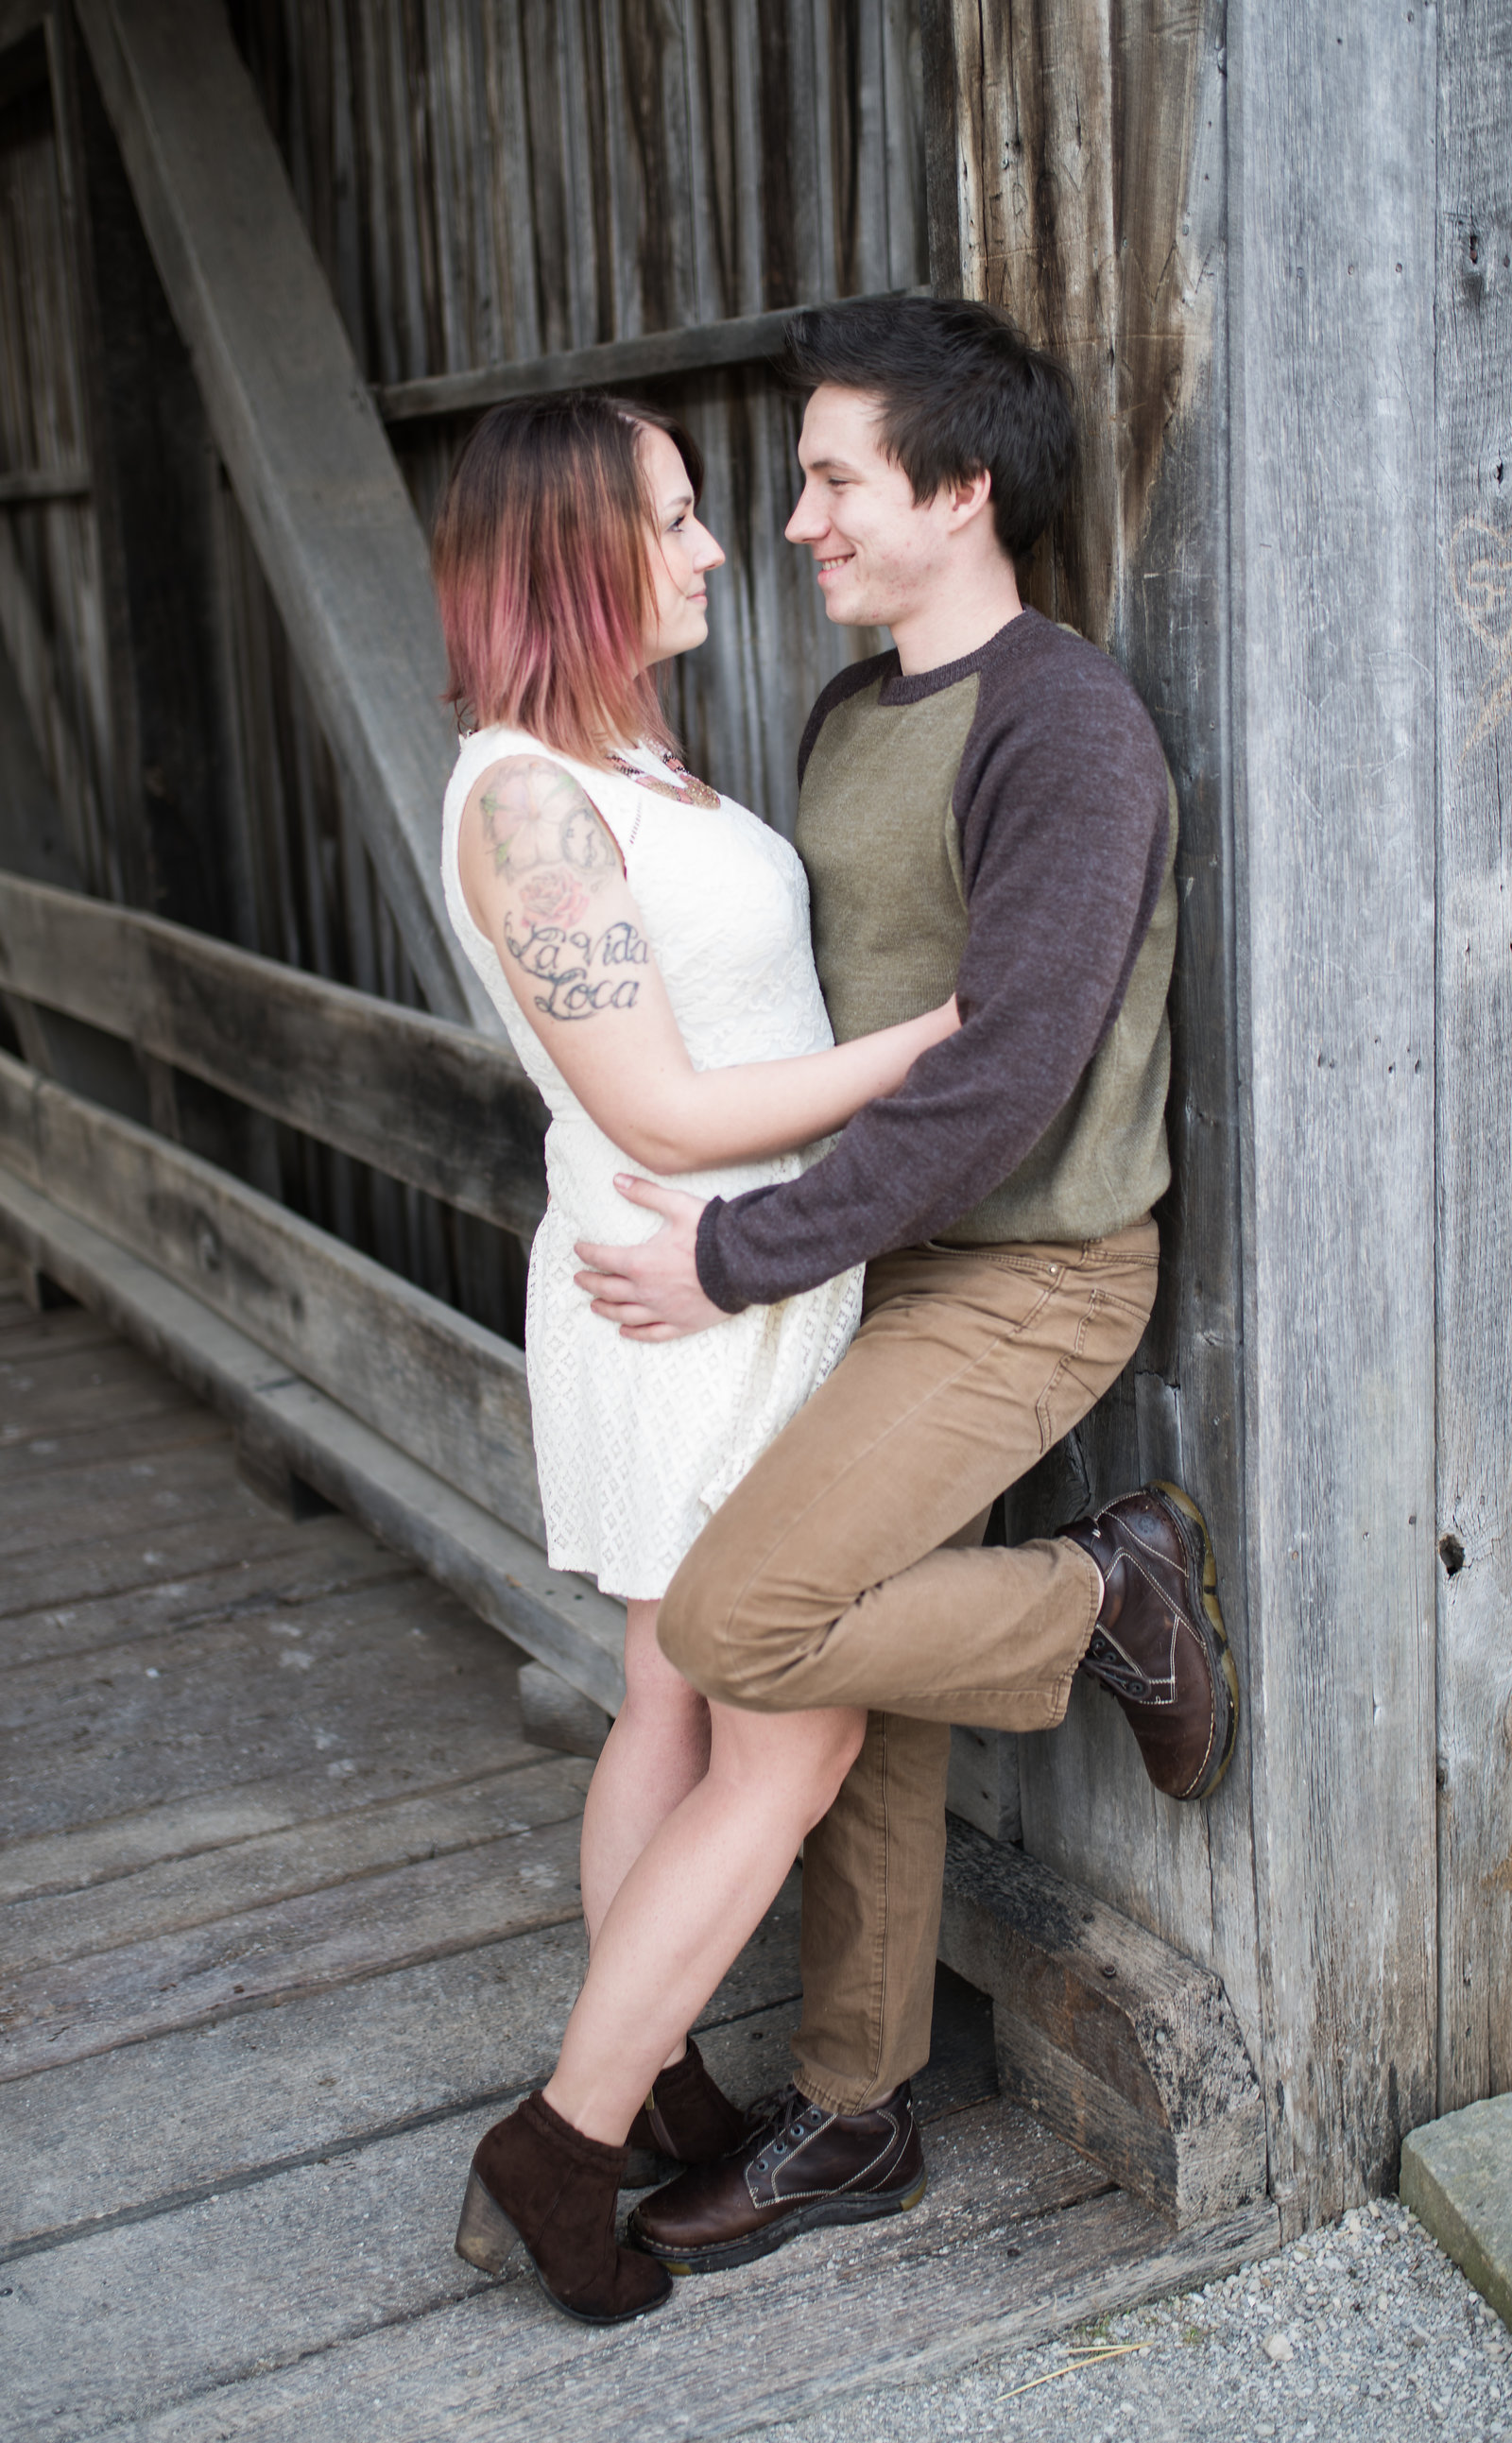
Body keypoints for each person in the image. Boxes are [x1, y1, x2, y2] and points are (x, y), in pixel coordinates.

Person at [573, 296, 1241, 2278]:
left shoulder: (1063, 722)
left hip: (1022, 1279)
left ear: (960, 491)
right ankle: (854, 2113)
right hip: (870, 1272)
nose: (795, 523)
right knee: (849, 1671)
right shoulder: (850, 717)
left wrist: (730, 1256)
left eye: (833, 479)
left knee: (745, 1623)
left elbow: (1003, 1069)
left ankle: (1107, 1593)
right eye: (795, 485)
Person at [429, 390, 960, 2324]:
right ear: (572, 545)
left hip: (729, 1284)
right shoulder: (529, 801)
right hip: (691, 1300)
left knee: (668, 1703)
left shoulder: (615, 764)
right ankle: (564, 2141)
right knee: (788, 1725)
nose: (716, 548)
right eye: (672, 518)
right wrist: (939, 1042)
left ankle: (646, 2088)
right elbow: (653, 1091)